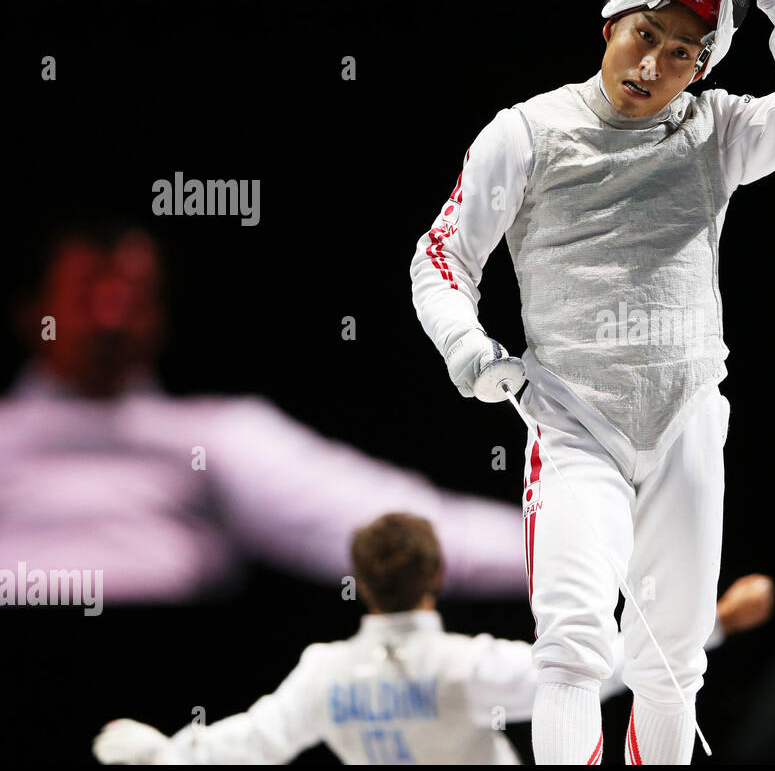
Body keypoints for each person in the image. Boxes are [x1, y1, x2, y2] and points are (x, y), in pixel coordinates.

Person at [410, 0, 775, 763]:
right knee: (572, 648)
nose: (653, 66)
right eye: (645, 36)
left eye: (682, 53)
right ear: (610, 24)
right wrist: (471, 352)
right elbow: (440, 258)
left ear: (703, 67)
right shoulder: (530, 132)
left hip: (685, 420)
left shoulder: (716, 133)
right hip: (576, 426)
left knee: (674, 663)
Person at [0, 223, 525, 603]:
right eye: (89, 293)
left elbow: (396, 527)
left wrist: (576, 553)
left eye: (133, 299)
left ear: (159, 317)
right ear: (33, 313)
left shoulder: (215, 436)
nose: (111, 320)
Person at [92, 512, 775, 764]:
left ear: (359, 584)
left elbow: (247, 743)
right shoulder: (464, 665)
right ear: (439, 575)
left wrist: (160, 753)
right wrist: (712, 621)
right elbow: (597, 673)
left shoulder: (325, 673)